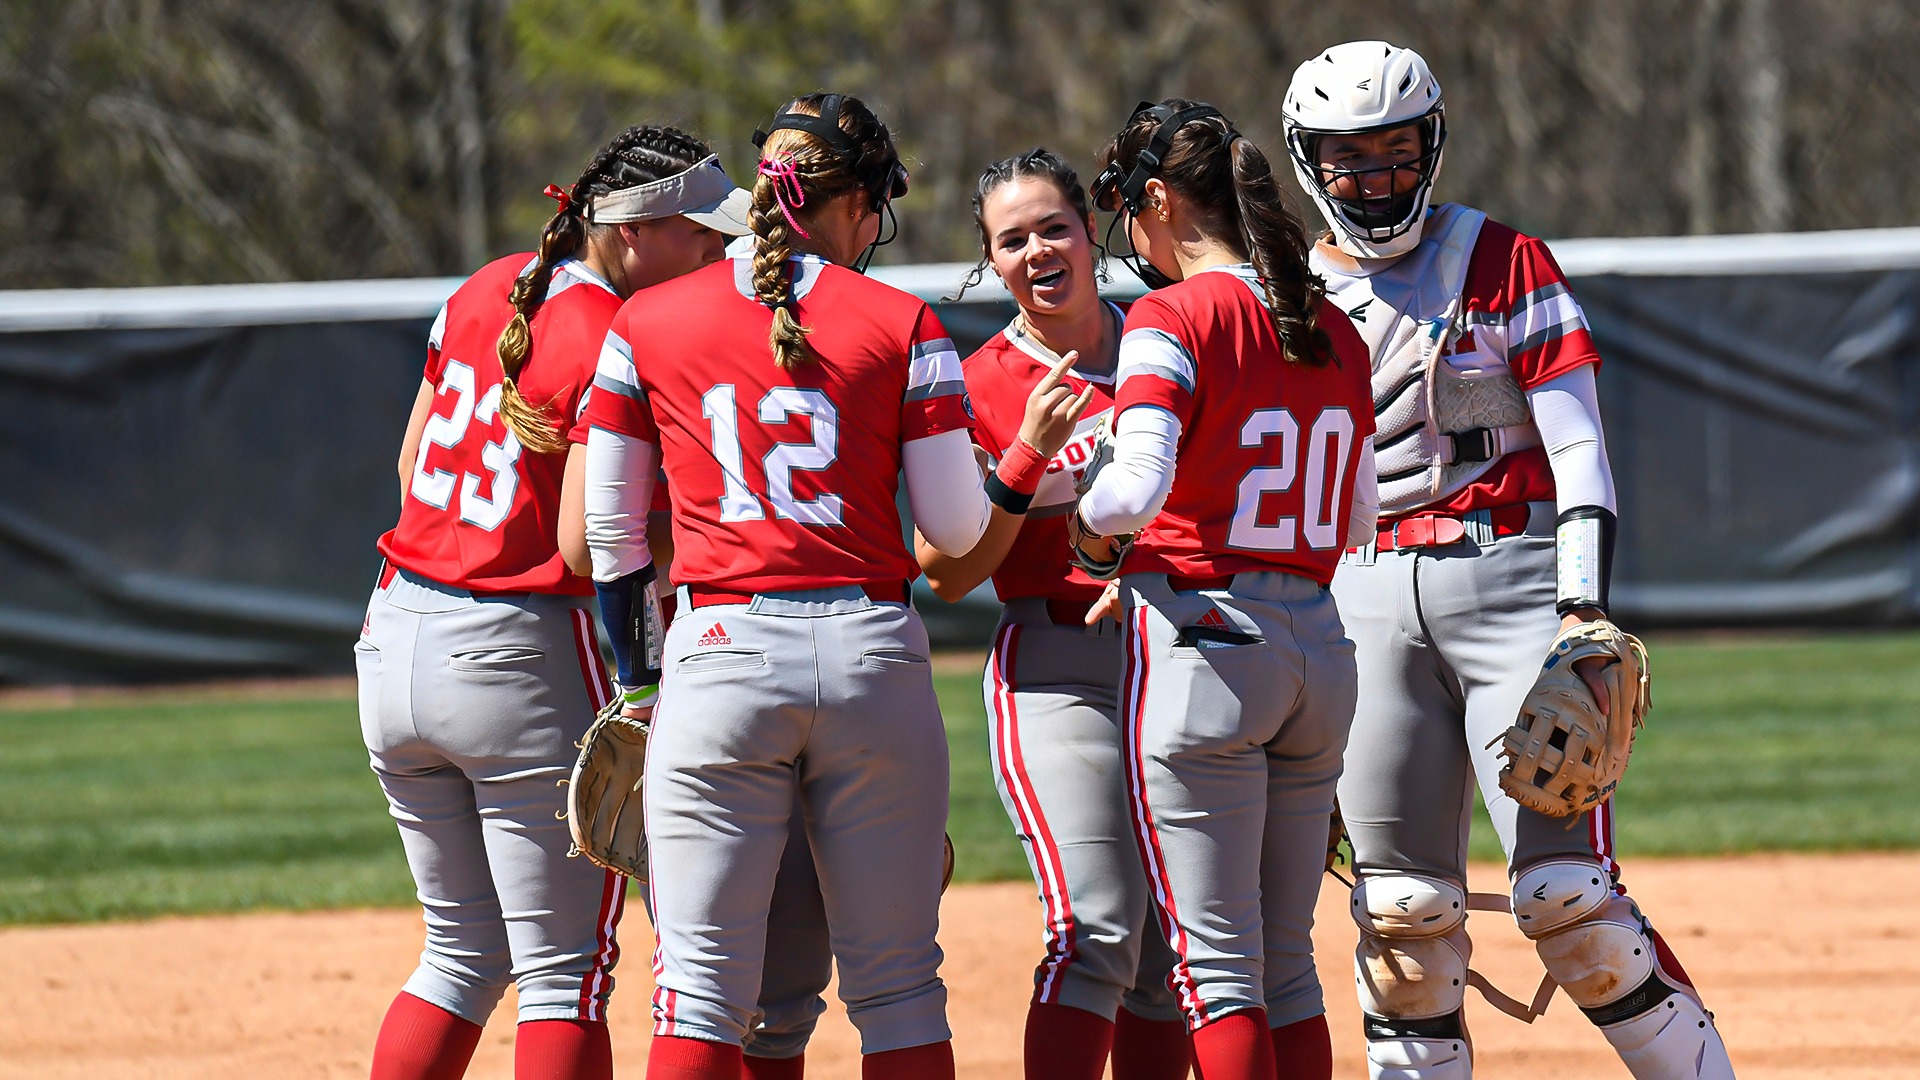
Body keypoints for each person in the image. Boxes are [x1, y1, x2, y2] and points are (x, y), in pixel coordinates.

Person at [581, 92, 1083, 1080]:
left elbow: (612, 538)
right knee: (898, 989)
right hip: (871, 655)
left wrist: (640, 685)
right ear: (853, 205)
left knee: (700, 990)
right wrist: (1026, 467)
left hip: (720, 656)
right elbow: (953, 533)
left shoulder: (644, 320)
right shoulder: (903, 320)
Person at [1281, 40, 1737, 1080]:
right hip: (1355, 595)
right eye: (1350, 160)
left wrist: (1583, 606)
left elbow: (1577, 444)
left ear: (1433, 147)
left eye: (1397, 153)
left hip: (1514, 580)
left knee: (1567, 897)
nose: (1376, 180)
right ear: (1310, 162)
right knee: (1401, 914)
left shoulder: (1503, 260)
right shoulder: (1285, 290)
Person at [357, 125, 751, 1080]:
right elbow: (585, 545)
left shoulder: (486, 285)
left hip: (395, 637)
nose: (716, 251)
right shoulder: (613, 334)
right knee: (564, 975)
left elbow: (411, 466)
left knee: (458, 955)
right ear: (628, 233)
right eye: (698, 233)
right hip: (516, 655)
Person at [1072, 99, 1379, 1080]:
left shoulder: (1171, 314)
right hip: (1319, 646)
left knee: (1217, 967)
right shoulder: (1332, 324)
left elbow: (1136, 489)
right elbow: (1363, 520)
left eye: (1131, 207)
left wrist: (1087, 522)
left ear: (1159, 198)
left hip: (1207, 639)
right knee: (1287, 962)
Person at [915, 147, 1190, 1080]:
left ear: (1089, 232)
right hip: (1057, 665)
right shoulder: (978, 381)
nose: (1036, 249)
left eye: (1053, 227)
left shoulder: (1171, 338)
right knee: (1099, 927)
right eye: (1010, 239)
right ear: (990, 262)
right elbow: (944, 573)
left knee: (1172, 958)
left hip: (1183, 656)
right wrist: (1025, 457)